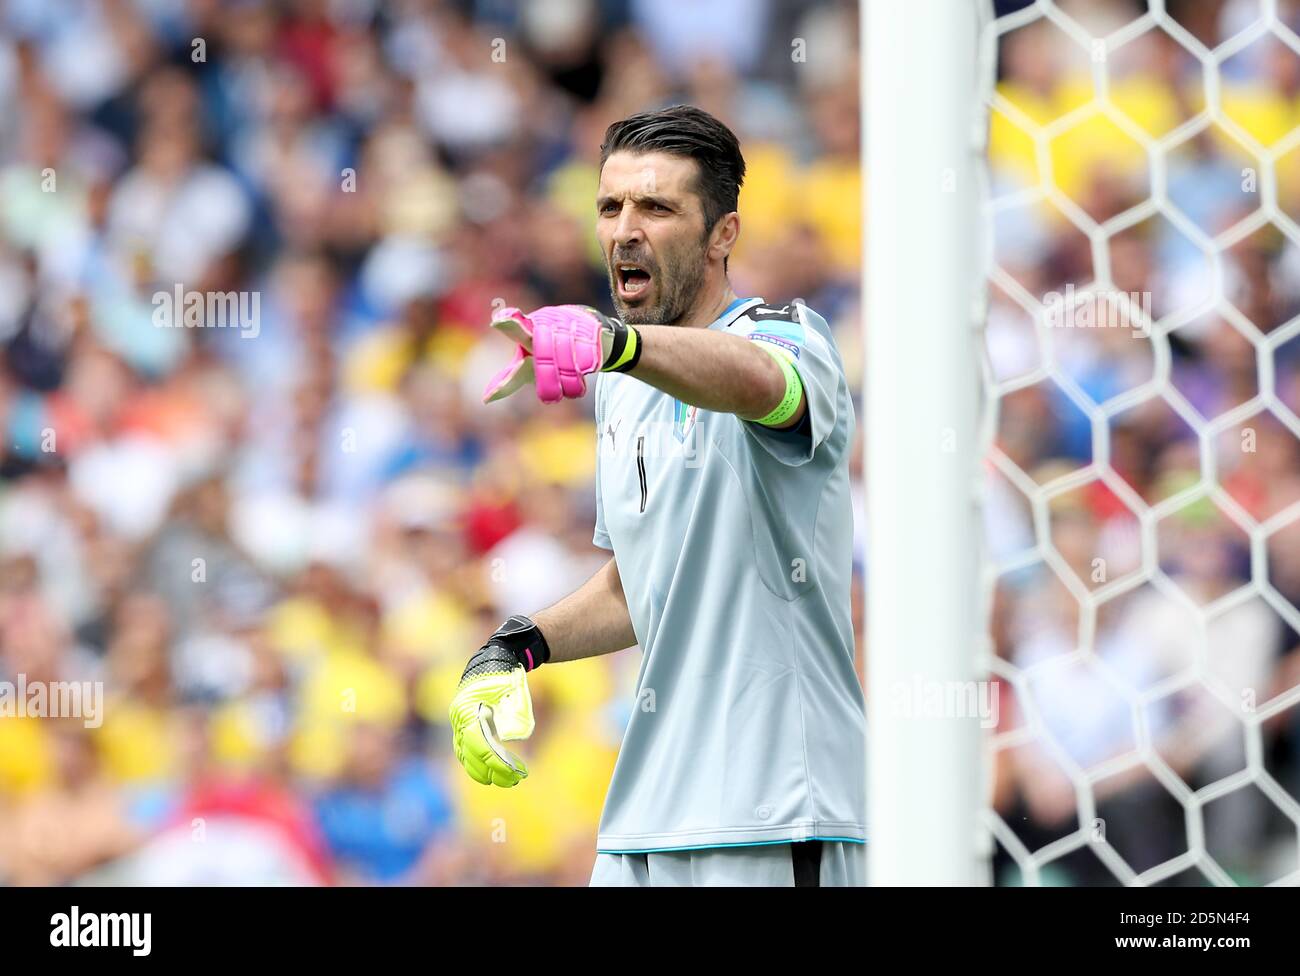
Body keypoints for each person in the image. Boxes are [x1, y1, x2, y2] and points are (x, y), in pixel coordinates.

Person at [449, 104, 865, 887]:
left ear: (723, 235)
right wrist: (515, 645)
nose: (624, 230)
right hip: (643, 821)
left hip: (772, 814)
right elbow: (640, 586)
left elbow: (758, 382)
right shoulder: (622, 386)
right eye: (611, 207)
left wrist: (619, 344)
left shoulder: (791, 333)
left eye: (657, 207)